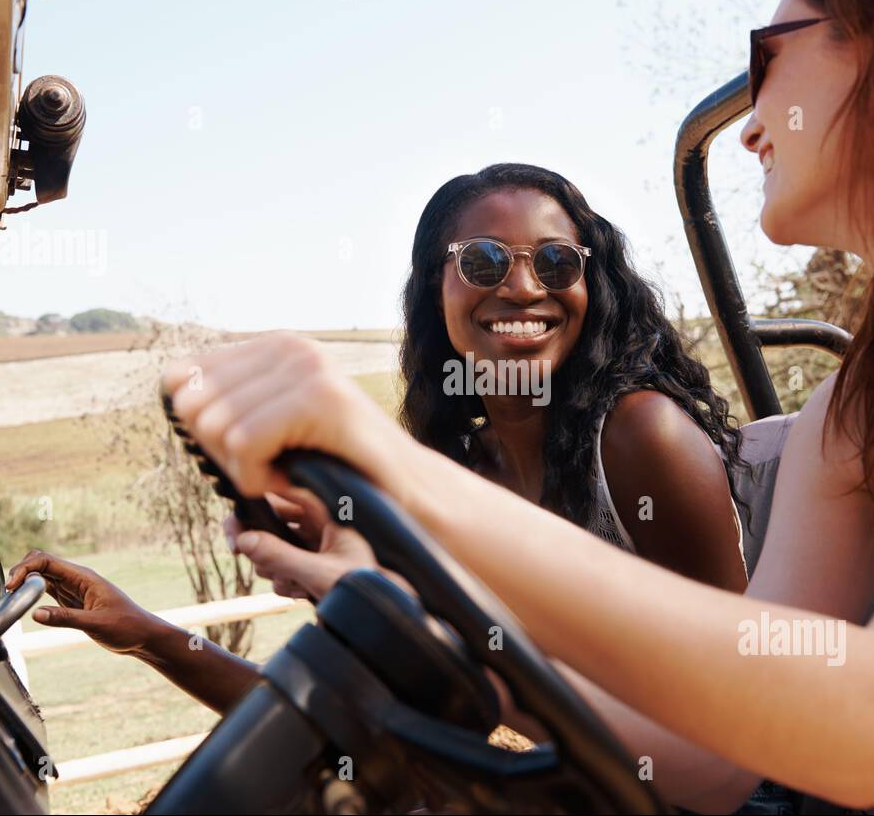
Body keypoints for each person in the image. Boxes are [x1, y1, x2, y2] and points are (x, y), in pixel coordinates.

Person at [155, 0, 874, 814]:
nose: (753, 119)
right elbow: (722, 757)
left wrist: (395, 471)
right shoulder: (866, 407)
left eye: (770, 56)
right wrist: (456, 645)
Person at [227, 162, 748, 601]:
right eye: (483, 261)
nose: (523, 288)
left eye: (556, 262)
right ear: (438, 290)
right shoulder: (461, 469)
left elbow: (739, 682)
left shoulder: (642, 437)